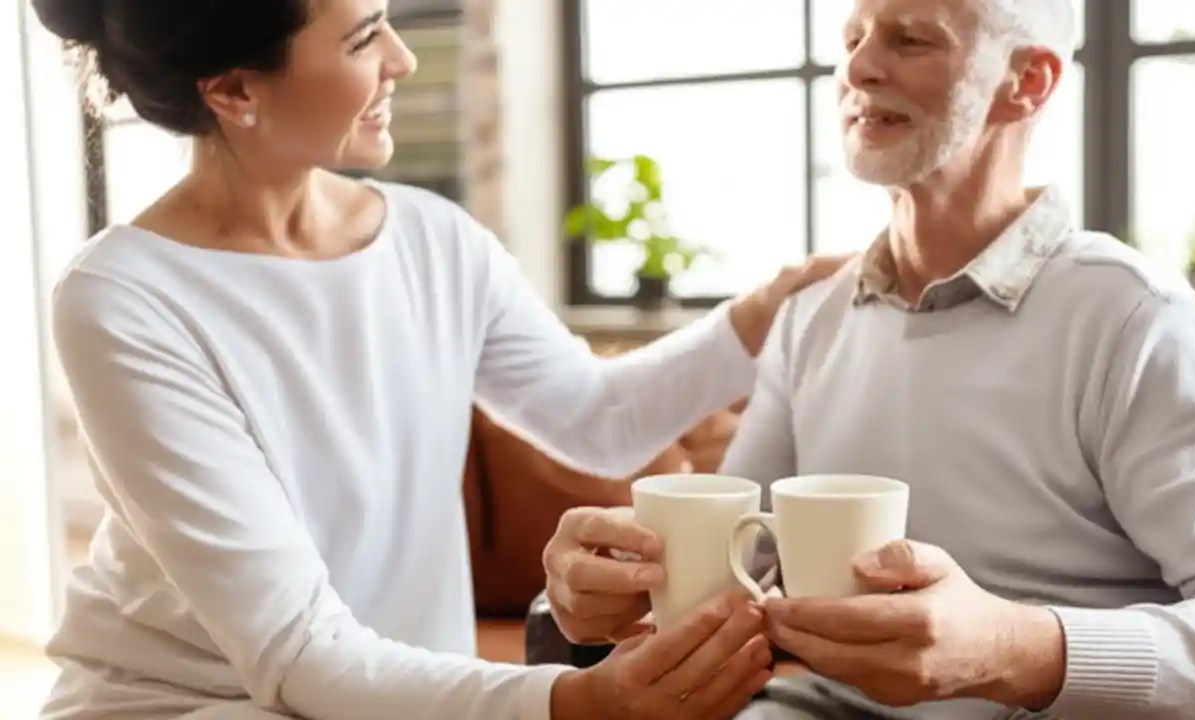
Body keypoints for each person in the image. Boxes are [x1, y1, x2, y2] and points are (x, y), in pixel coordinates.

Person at [30, 1, 847, 718]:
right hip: (193, 702)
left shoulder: (431, 238)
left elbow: (597, 421)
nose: (402, 57)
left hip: (395, 699)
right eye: (362, 38)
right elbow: (293, 647)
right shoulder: (123, 297)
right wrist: (579, 701)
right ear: (236, 90)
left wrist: (755, 316)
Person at [543, 0, 1195, 718]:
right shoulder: (811, 317)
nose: (858, 67)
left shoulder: (1134, 316)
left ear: (1028, 81)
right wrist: (615, 588)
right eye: (854, 36)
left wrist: (1011, 649)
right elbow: (737, 568)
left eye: (911, 40)